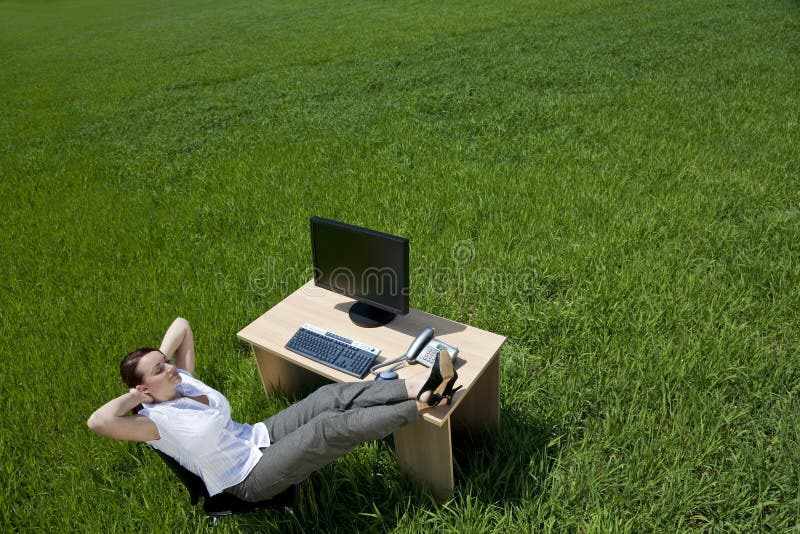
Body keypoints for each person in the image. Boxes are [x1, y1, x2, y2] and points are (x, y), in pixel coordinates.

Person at [87, 317, 460, 502]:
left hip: (255, 437)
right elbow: (98, 422)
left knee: (326, 398)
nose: (169, 369)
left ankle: (412, 384)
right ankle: (423, 403)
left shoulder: (182, 379)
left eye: (165, 362)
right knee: (326, 429)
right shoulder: (153, 425)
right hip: (245, 478)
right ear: (141, 388)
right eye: (158, 370)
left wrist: (163, 362)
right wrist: (139, 398)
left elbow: (182, 325)